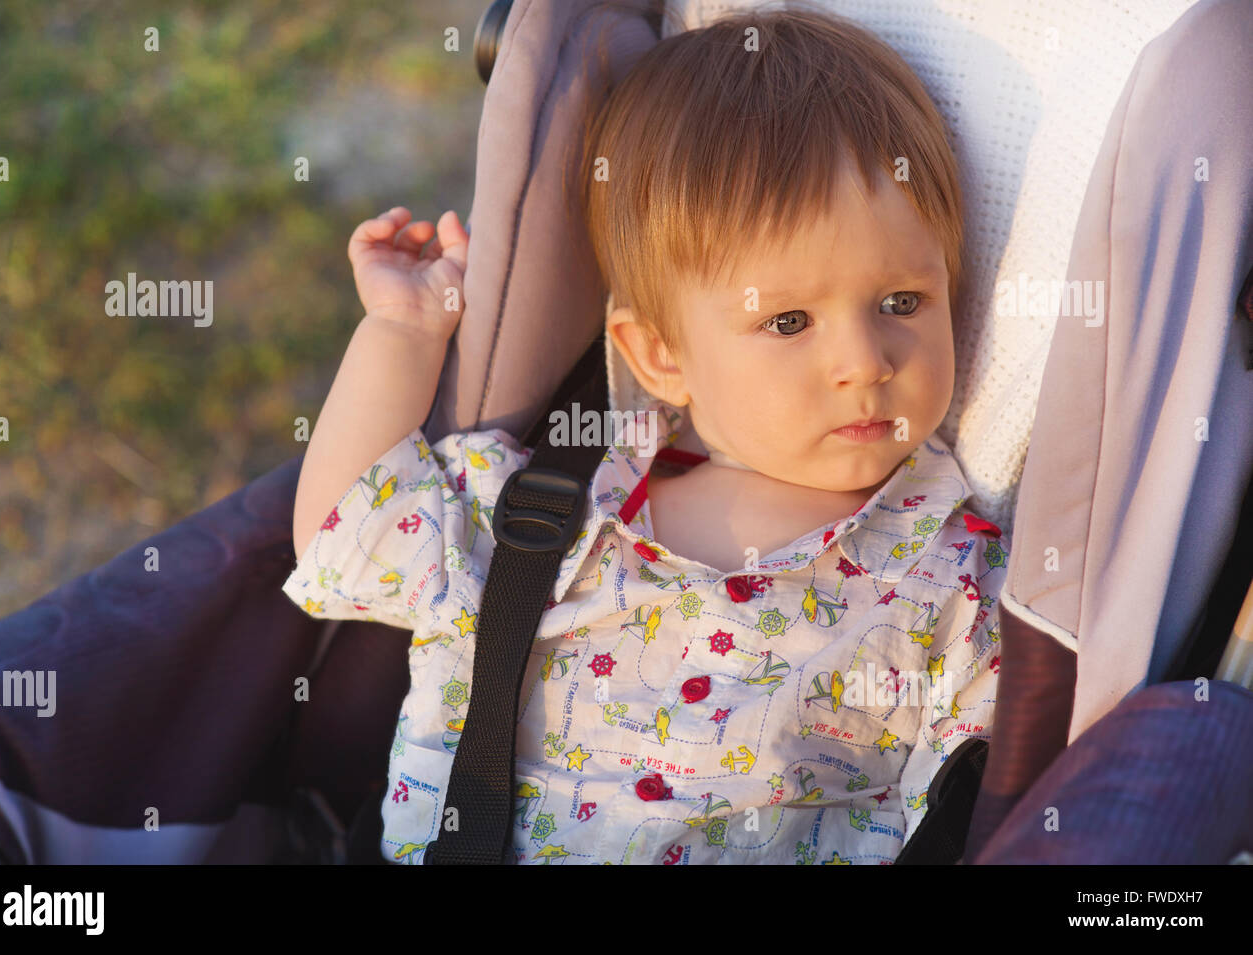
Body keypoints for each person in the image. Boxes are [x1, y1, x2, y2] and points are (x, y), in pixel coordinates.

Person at [284, 7, 1006, 864]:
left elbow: (981, 803)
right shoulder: (546, 508)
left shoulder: (957, 571)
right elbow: (344, 533)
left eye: (901, 302)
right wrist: (402, 333)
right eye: (786, 320)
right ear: (661, 357)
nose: (864, 360)